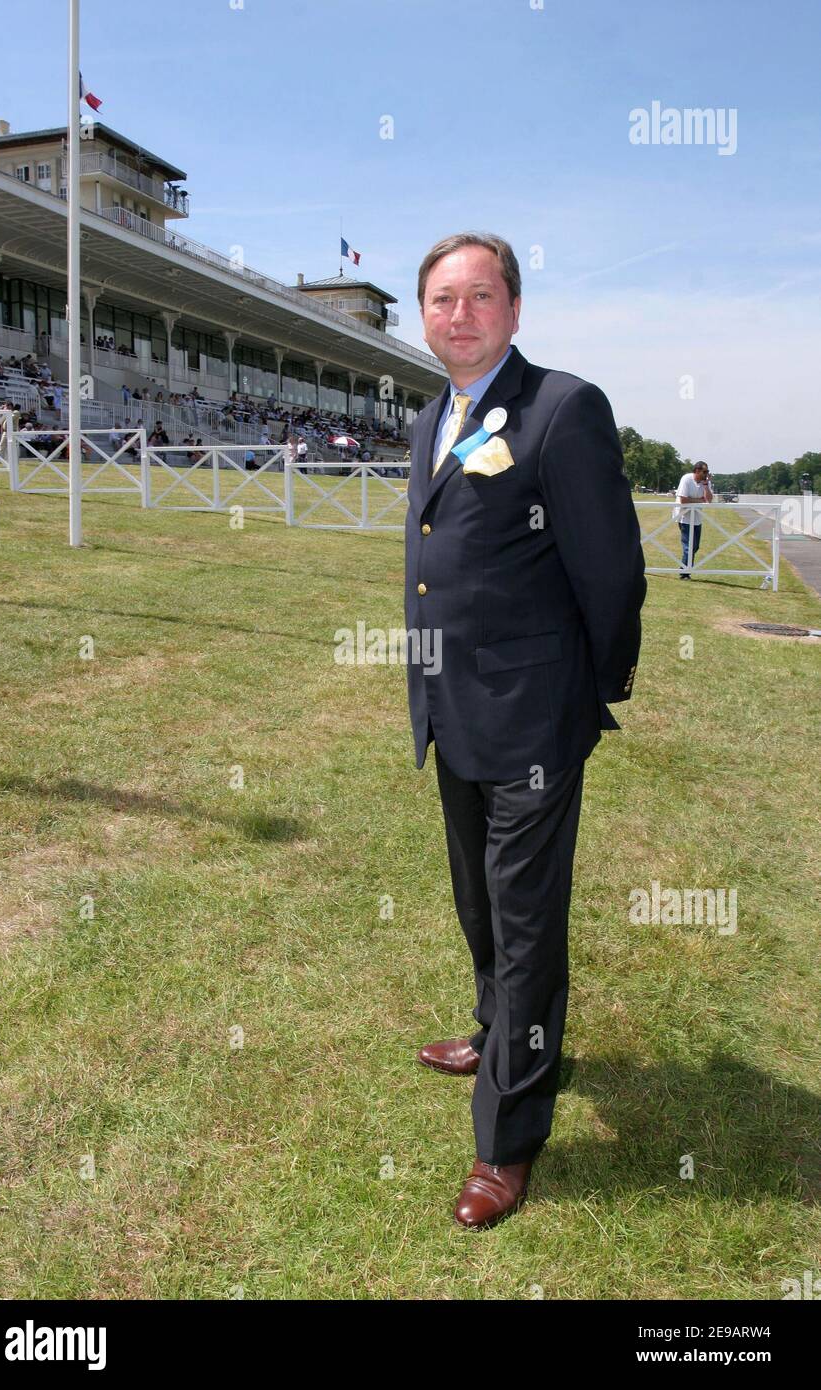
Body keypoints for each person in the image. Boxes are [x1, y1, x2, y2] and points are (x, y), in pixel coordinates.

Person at [405, 231, 646, 1229]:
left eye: (477, 296)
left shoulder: (561, 408)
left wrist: (585, 697)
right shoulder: (430, 415)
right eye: (438, 298)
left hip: (532, 721)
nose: (456, 314)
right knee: (480, 904)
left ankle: (505, 1138)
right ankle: (496, 1028)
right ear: (421, 315)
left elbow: (610, 572)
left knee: (525, 923)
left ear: (513, 308)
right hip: (451, 710)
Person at [672, 460, 713, 578]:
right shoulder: (686, 479)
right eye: (705, 471)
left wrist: (705, 486)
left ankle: (683, 568)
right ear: (697, 471)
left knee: (695, 547)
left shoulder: (706, 482)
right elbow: (683, 500)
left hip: (697, 518)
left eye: (707, 471)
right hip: (684, 517)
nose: (707, 474)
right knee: (688, 546)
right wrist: (700, 500)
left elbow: (709, 500)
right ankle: (685, 573)